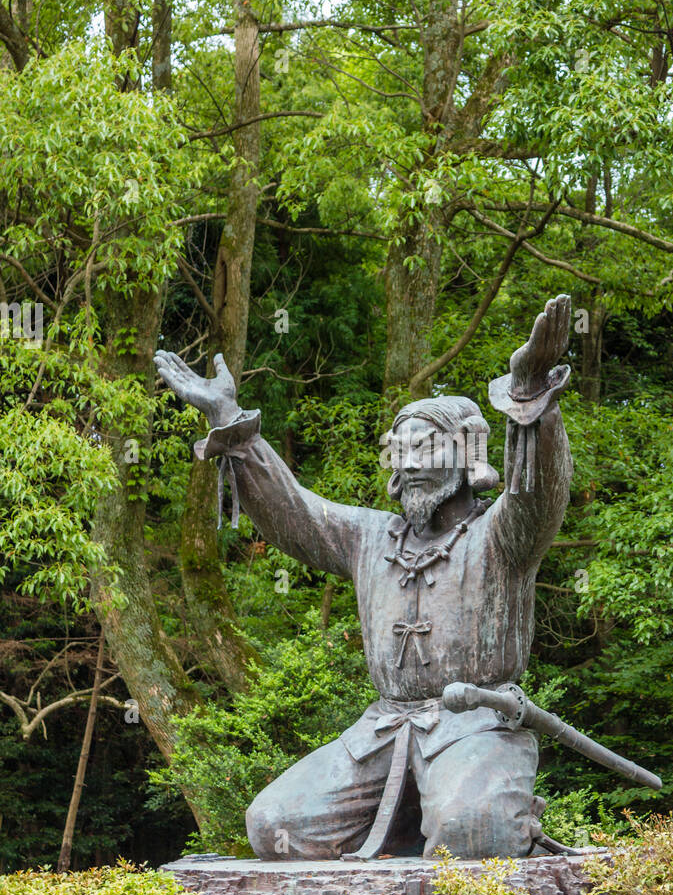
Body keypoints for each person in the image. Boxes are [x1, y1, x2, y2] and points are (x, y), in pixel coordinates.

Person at [154, 294, 573, 859]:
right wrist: (229, 421)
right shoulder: (370, 536)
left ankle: (485, 816)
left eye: (424, 448)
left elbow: (538, 494)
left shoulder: (502, 536)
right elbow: (295, 512)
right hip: (379, 733)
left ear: (467, 453)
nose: (407, 464)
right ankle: (407, 830)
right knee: (274, 823)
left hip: (476, 726)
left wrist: (531, 399)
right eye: (398, 451)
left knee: (471, 833)